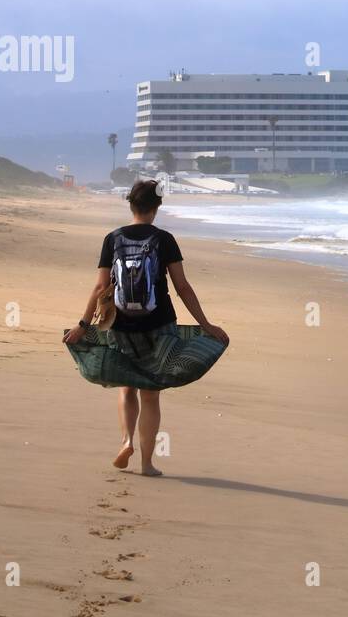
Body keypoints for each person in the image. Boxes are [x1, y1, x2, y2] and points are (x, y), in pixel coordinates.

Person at [63, 179, 229, 476]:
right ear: (156, 208)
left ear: (131, 204)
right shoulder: (164, 239)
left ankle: (126, 441)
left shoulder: (113, 238)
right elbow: (182, 287)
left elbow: (101, 286)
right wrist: (206, 324)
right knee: (150, 393)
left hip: (120, 325)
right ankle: (147, 463)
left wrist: (82, 325)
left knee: (127, 387)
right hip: (159, 322)